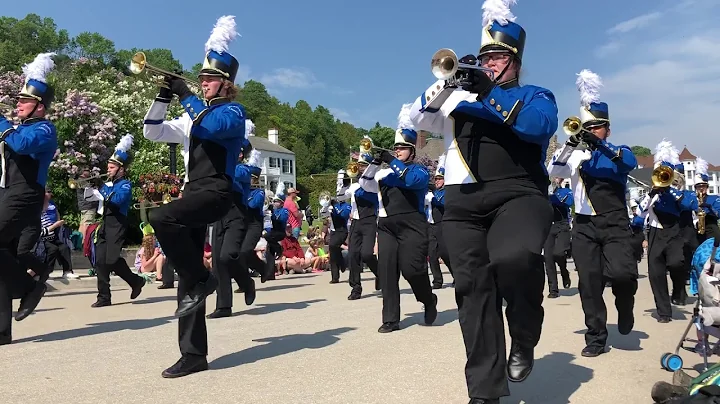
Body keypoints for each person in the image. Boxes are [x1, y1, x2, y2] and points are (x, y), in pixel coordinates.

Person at [409, 2, 557, 401]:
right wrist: (452, 81)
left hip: (520, 194)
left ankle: (524, 335)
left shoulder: (534, 94)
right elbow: (419, 122)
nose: (490, 64)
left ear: (515, 62)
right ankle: (485, 392)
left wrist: (489, 91)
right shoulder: (458, 102)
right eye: (486, 58)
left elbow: (536, 125)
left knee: (515, 259)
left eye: (498, 58)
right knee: (472, 293)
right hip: (462, 204)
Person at [143, 15, 246, 378]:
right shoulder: (193, 116)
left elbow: (213, 127)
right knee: (187, 282)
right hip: (192, 190)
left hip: (216, 190)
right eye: (200, 79)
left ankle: (202, 278)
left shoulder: (233, 112)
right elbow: (152, 132)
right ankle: (193, 354)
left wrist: (185, 95)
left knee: (159, 217)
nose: (202, 83)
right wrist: (163, 95)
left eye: (209, 79)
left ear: (226, 83)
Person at [548, 69, 637, 358]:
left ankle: (625, 305)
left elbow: (627, 164)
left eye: (596, 127)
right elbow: (553, 172)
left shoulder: (618, 150)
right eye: (587, 127)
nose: (590, 131)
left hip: (614, 222)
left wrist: (599, 145)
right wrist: (570, 144)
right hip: (584, 225)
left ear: (607, 129)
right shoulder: (574, 153)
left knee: (623, 275)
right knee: (589, 283)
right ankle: (596, 337)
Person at [359, 104, 437, 334]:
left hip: (413, 224)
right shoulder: (385, 173)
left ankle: (428, 299)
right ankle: (391, 318)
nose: (398, 151)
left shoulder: (419, 171)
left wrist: (392, 161)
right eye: (396, 149)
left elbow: (412, 181)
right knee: (387, 271)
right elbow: (365, 185)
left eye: (403, 148)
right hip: (387, 226)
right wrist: (374, 163)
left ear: (412, 151)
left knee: (412, 270)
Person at [0, 53, 59, 344]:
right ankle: (1, 330)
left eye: (24, 101)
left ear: (40, 106)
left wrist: (1, 123)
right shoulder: (18, 128)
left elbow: (21, 145)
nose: (17, 105)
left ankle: (30, 287)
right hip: (8, 193)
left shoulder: (45, 129)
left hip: (25, 195)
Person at [636, 141, 696, 323]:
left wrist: (670, 191)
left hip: (675, 233)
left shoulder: (680, 193)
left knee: (677, 263)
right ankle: (664, 312)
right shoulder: (653, 195)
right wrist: (652, 193)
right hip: (655, 233)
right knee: (656, 273)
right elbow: (639, 212)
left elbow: (688, 205)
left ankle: (678, 288)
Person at [85, 135, 145, 307]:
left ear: (121, 169)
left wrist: (101, 187)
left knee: (111, 260)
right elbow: (96, 198)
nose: (108, 170)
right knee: (100, 262)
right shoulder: (109, 184)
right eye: (108, 167)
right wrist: (93, 188)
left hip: (118, 223)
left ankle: (135, 281)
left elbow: (116, 201)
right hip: (106, 222)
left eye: (112, 168)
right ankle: (104, 297)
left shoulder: (125, 184)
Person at [207, 137, 257, 319]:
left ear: (240, 153)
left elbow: (231, 180)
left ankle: (246, 282)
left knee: (228, 256)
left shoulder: (242, 169)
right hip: (219, 215)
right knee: (218, 263)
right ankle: (223, 306)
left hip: (236, 215)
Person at [339, 159, 380, 299]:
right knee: (353, 255)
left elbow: (367, 188)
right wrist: (343, 184)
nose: (360, 168)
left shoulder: (374, 184)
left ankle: (380, 274)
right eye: (360, 166)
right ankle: (356, 287)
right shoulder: (354, 186)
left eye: (364, 166)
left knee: (367, 254)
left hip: (369, 221)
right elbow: (340, 197)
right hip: (356, 222)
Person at [426, 154, 453, 289]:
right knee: (431, 253)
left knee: (445, 253)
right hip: (431, 225)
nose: (437, 181)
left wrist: (433, 193)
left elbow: (443, 203)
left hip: (442, 225)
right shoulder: (431, 193)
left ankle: (455, 275)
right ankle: (437, 280)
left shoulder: (445, 192)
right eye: (436, 179)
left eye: (439, 179)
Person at [545, 177, 573, 298]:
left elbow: (569, 202)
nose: (554, 180)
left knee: (559, 253)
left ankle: (564, 271)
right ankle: (553, 289)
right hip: (548, 226)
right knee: (548, 258)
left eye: (556, 178)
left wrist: (552, 196)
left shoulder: (565, 192)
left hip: (562, 225)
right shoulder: (543, 193)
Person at [329, 170, 352, 284]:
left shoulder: (347, 205)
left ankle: (343, 263)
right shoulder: (333, 203)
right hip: (333, 229)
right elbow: (324, 215)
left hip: (343, 229)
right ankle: (335, 276)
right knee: (332, 251)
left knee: (334, 245)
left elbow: (344, 216)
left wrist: (335, 208)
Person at [264, 183, 289, 280]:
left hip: (279, 232)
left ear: (282, 203)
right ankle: (270, 274)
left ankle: (279, 249)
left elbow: (282, 219)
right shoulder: (272, 210)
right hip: (273, 232)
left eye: (277, 202)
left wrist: (273, 216)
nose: (274, 203)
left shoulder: (284, 210)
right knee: (269, 251)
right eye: (274, 201)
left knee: (267, 237)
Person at [694, 157, 720, 245]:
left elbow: (718, 214)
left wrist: (709, 207)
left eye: (704, 186)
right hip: (697, 230)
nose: (701, 188)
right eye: (699, 186)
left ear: (707, 187)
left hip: (711, 228)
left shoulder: (714, 199)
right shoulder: (692, 199)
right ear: (696, 188)